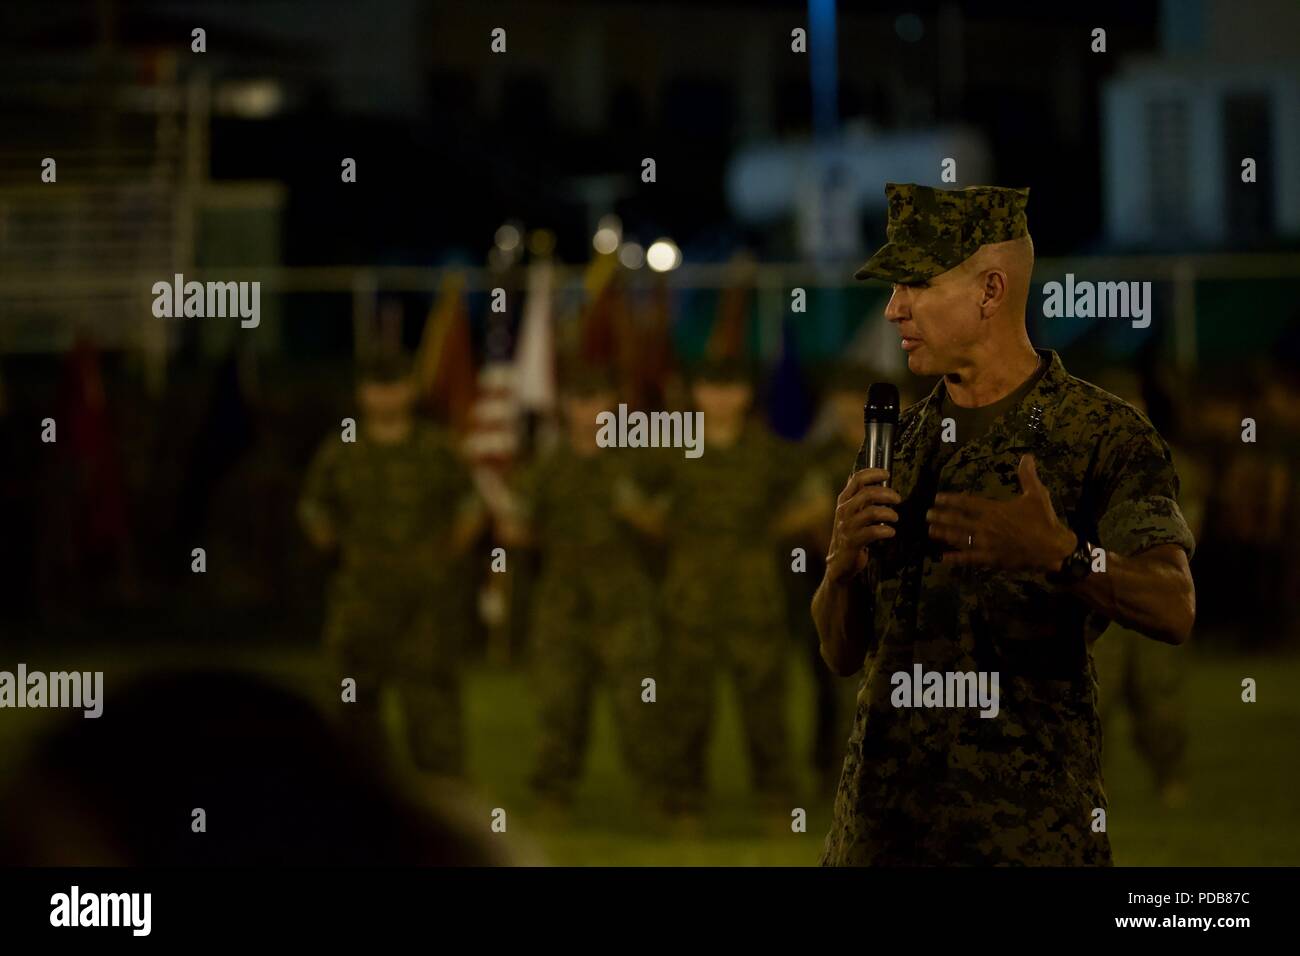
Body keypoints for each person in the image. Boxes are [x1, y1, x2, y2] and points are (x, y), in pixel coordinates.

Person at [815, 182, 1197, 866]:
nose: (894, 307)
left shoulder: (1100, 435)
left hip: (1027, 839)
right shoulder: (897, 443)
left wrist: (1068, 557)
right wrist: (839, 568)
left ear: (991, 291)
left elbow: (1175, 605)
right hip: (879, 836)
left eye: (917, 284)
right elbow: (843, 655)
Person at [298, 351, 484, 777]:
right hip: (359, 599)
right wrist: (331, 544)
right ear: (363, 394)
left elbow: (471, 505)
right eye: (376, 386)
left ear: (411, 389)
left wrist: (445, 556)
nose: (385, 396)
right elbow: (312, 505)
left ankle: (443, 799)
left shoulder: (438, 448)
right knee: (352, 701)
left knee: (432, 702)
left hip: (426, 602)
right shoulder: (342, 449)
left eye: (394, 385)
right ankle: (360, 796)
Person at [500, 366, 661, 814]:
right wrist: (527, 532)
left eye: (596, 399)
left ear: (611, 404)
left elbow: (667, 527)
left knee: (638, 705)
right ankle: (553, 793)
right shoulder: (546, 468)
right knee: (560, 703)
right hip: (562, 604)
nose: (587, 411)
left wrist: (639, 514)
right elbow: (515, 527)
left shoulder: (636, 463)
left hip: (625, 604)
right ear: (565, 407)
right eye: (578, 400)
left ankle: (658, 795)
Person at [651, 359, 806, 819]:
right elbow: (631, 500)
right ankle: (683, 802)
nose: (721, 399)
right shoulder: (673, 452)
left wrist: (765, 534)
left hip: (753, 601)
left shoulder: (770, 453)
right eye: (711, 388)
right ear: (696, 393)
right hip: (689, 602)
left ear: (745, 395)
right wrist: (677, 534)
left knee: (764, 706)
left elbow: (815, 499)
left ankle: (777, 800)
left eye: (731, 388)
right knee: (686, 706)